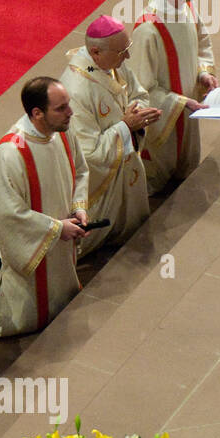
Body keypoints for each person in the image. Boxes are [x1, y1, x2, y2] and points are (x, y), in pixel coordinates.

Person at [0, 77, 90, 337]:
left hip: (62, 242)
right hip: (35, 254)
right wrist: (55, 228)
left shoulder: (63, 133)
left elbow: (80, 172)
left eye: (68, 105)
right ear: (37, 113)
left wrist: (79, 208)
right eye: (61, 108)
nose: (70, 112)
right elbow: (7, 213)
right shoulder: (10, 153)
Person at [59, 16, 157, 258]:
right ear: (95, 52)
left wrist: (137, 111)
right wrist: (126, 126)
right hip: (103, 177)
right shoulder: (76, 90)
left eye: (128, 49)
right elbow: (88, 153)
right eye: (123, 51)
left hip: (125, 160)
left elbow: (138, 93)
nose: (128, 57)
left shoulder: (112, 61)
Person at [128, 0, 217, 194]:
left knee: (185, 169)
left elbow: (201, 44)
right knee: (157, 182)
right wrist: (180, 102)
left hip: (188, 107)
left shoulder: (186, 7)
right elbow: (141, 88)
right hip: (165, 116)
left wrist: (203, 74)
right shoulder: (148, 29)